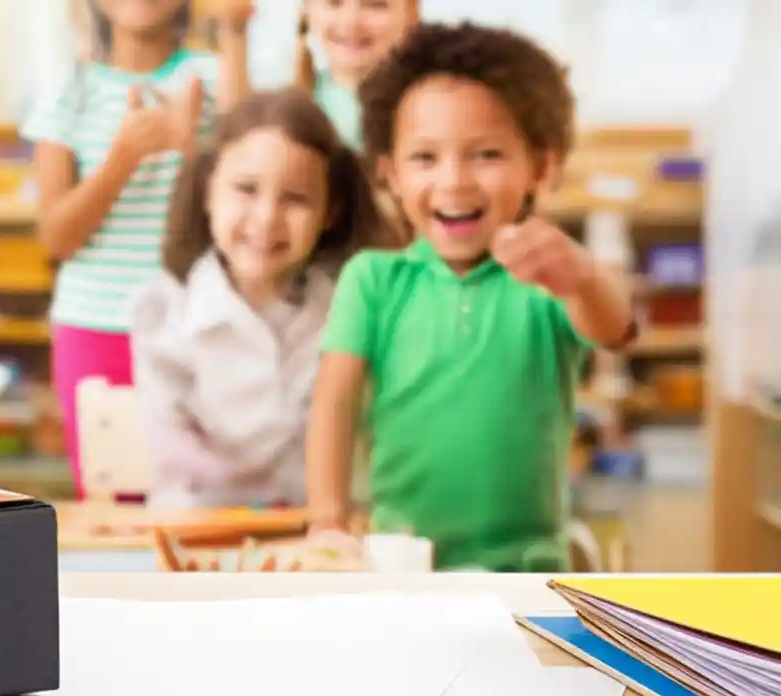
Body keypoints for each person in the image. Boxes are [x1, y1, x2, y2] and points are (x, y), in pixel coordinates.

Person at [305, 22, 637, 572]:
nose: (454, 181)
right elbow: (334, 403)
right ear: (388, 174)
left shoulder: (549, 280)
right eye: (425, 158)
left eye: (485, 154)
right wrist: (327, 522)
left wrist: (581, 278)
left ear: (541, 166)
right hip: (402, 567)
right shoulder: (372, 280)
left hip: (531, 570)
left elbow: (616, 330)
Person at [21, 0, 253, 497]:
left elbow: (248, 189)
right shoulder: (71, 88)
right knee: (114, 503)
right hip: (93, 331)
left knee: (201, 500)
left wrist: (195, 157)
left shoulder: (214, 78)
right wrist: (124, 157)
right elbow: (56, 237)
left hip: (195, 329)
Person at [131, 88, 383, 508]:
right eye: (246, 189)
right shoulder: (162, 311)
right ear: (209, 190)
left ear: (330, 212)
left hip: (316, 538)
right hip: (198, 533)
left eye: (296, 198)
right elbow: (174, 453)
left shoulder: (350, 309)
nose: (267, 219)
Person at [295, 0, 418, 149]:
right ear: (307, 10)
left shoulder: (434, 110)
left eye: (375, 5)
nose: (351, 21)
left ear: (411, 13)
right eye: (334, 3)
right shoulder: (283, 112)